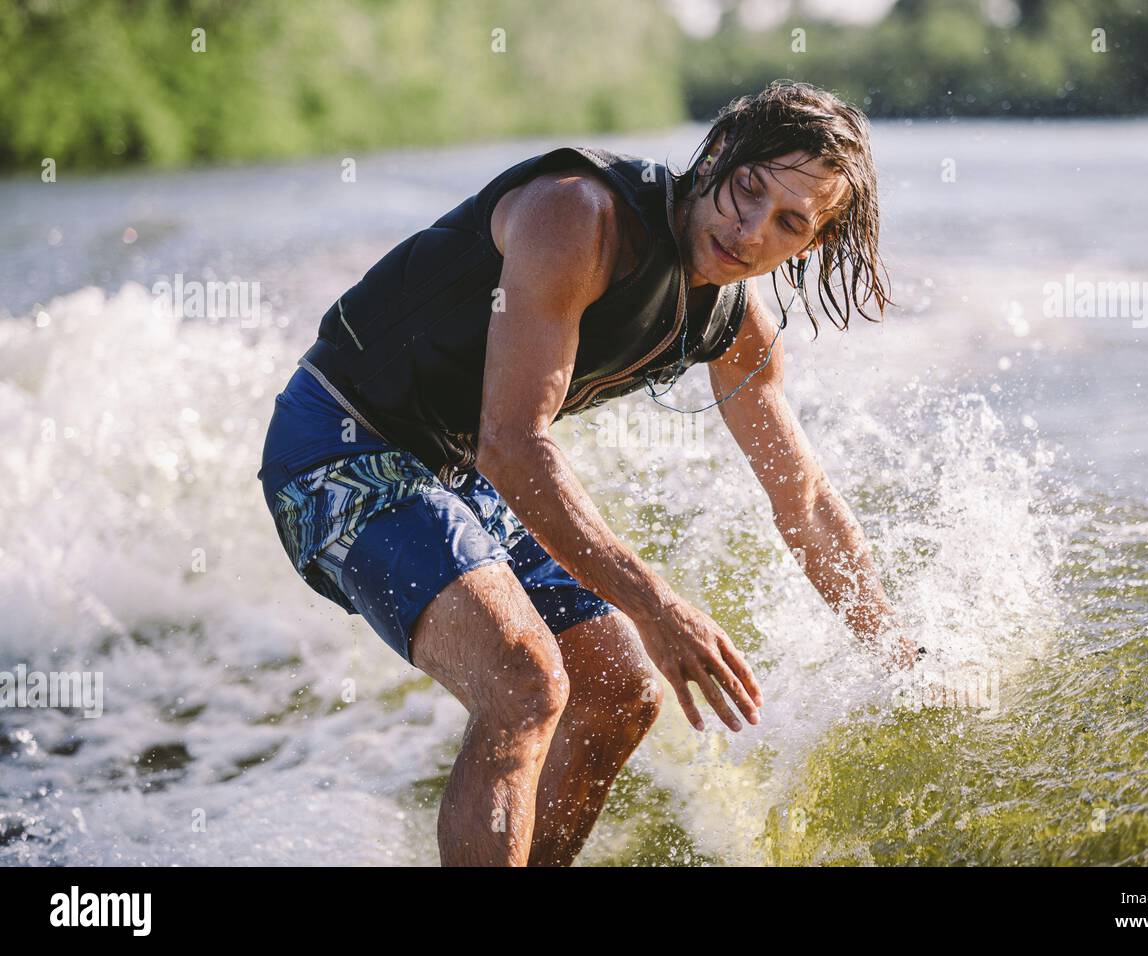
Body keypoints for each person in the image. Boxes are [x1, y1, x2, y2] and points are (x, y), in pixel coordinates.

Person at [258, 79, 918, 867]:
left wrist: (895, 655)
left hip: (456, 470)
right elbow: (513, 442)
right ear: (715, 156)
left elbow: (803, 500)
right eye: (747, 189)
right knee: (525, 682)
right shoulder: (576, 214)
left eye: (788, 223)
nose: (748, 230)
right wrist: (660, 607)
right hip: (338, 441)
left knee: (617, 692)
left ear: (807, 248)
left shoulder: (736, 328)